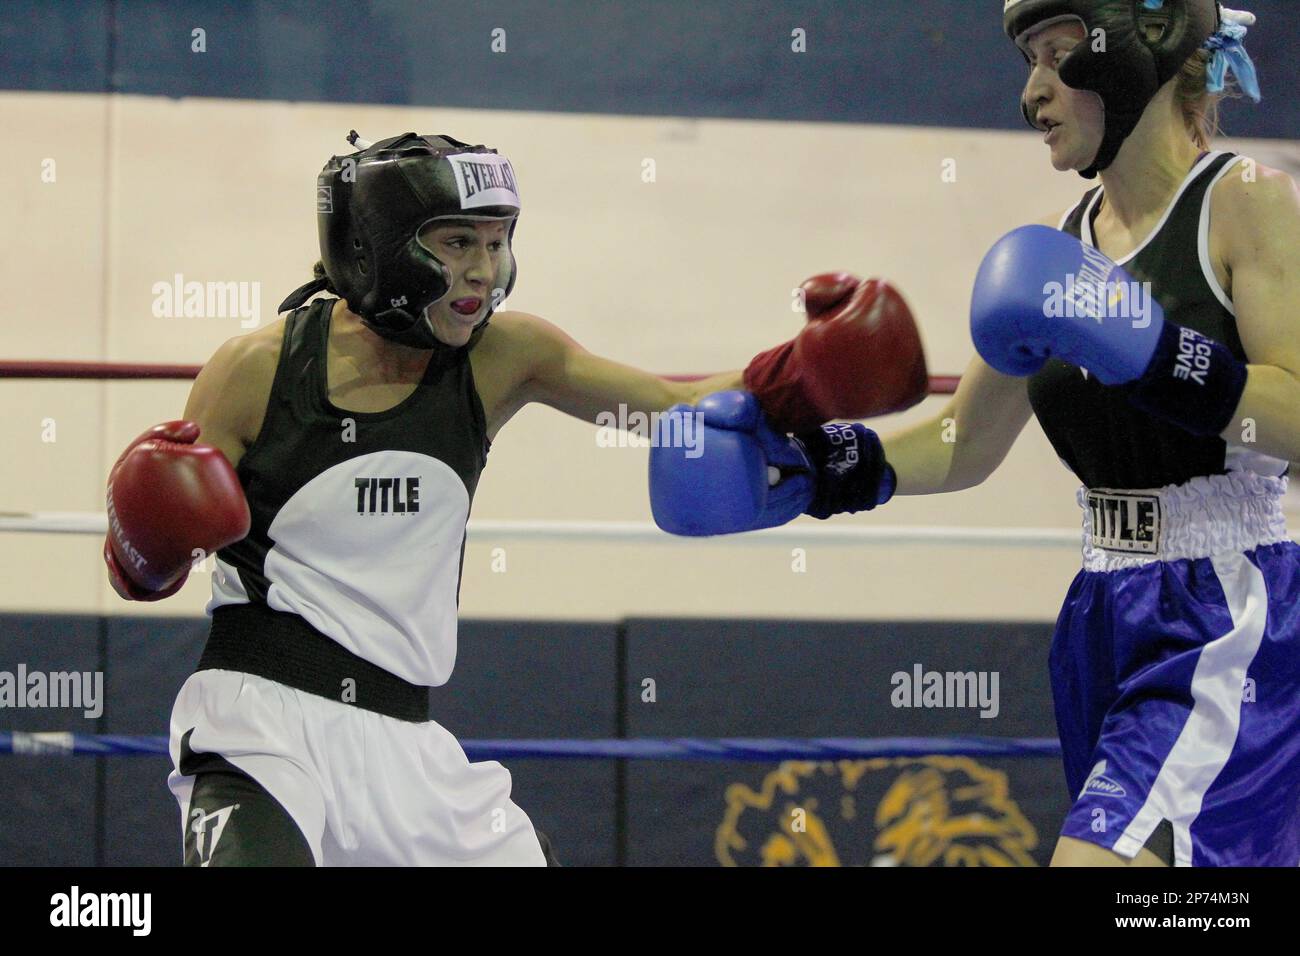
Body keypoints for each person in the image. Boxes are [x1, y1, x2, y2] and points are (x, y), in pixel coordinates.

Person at [103, 131, 928, 865]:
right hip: (262, 722)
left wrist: (802, 376)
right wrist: (144, 536)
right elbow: (143, 572)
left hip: (413, 751)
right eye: (456, 241)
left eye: (495, 243)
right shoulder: (260, 367)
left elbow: (672, 410)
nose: (480, 271)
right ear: (380, 246)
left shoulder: (506, 356)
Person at [652, 1, 1300, 866]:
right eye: (1029, 62)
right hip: (1104, 604)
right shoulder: (1056, 252)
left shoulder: (1244, 203)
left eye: (1058, 57)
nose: (1033, 93)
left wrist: (1150, 352)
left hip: (1228, 602)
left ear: (1132, 56)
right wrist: (823, 470)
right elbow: (966, 441)